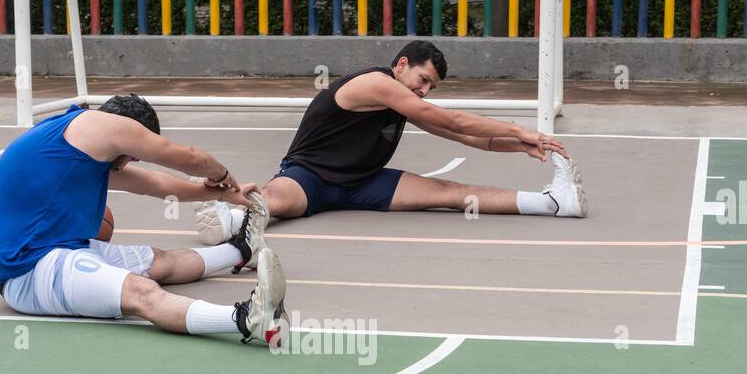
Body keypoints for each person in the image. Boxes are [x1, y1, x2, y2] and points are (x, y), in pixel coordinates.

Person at [195, 39, 587, 247]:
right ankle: (230, 220)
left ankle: (553, 203)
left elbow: (463, 135)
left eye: (431, 86)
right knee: (280, 202)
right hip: (310, 176)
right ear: (401, 64)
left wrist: (515, 146)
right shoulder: (378, 84)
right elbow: (448, 119)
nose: (425, 90)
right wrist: (520, 130)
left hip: (364, 181)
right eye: (423, 79)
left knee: (452, 193)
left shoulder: (407, 98)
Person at [0, 93, 287, 346]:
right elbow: (191, 158)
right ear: (131, 131)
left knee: (160, 261)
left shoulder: (79, 140)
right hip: (28, 271)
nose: (133, 160)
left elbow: (152, 184)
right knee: (140, 292)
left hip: (60, 248)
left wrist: (222, 196)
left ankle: (243, 250)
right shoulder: (107, 129)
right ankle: (249, 320)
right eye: (134, 152)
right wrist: (223, 176)